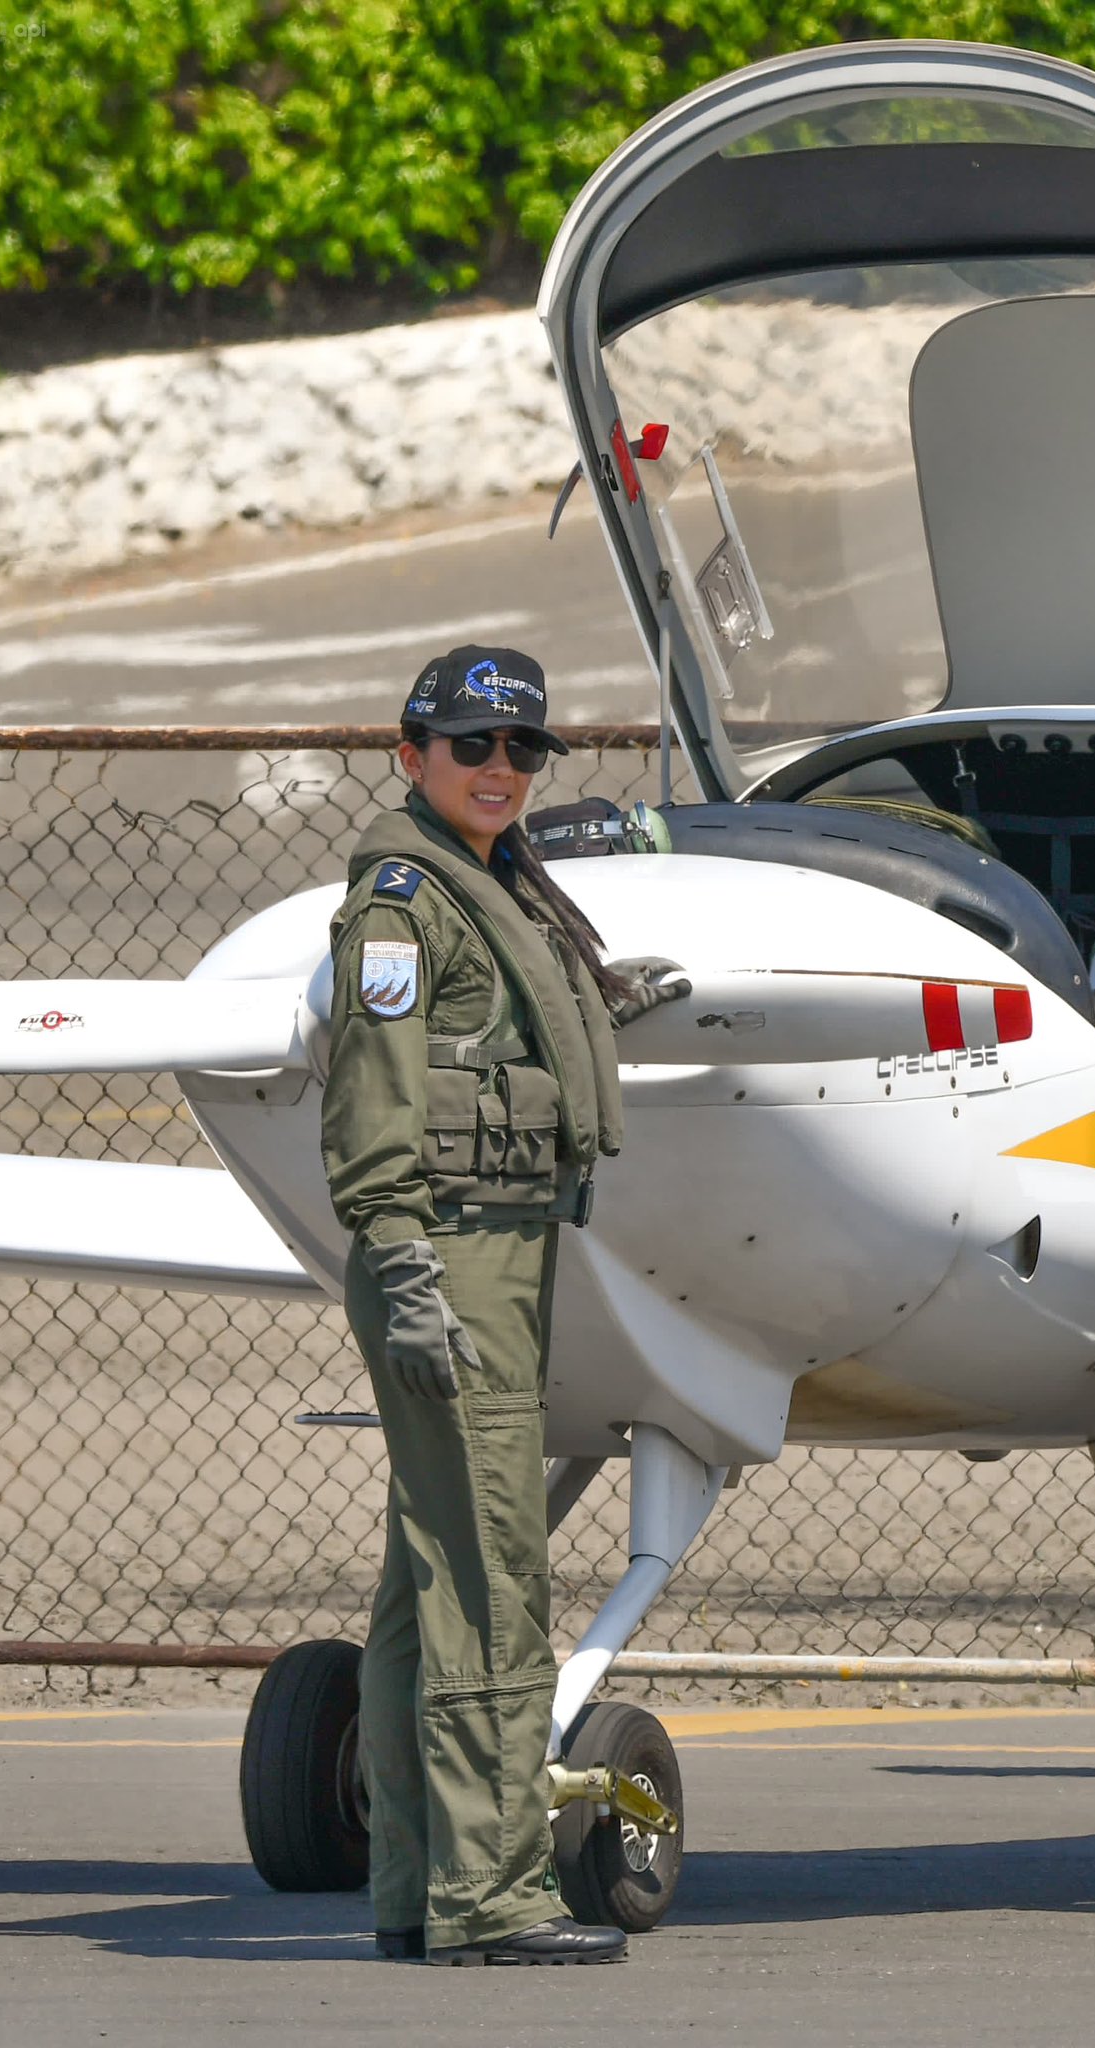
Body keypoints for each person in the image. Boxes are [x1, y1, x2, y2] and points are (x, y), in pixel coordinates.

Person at [320, 645, 689, 1966]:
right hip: (449, 1257)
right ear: (411, 754)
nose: (499, 770)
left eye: (522, 751)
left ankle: (423, 1890)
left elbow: (494, 1036)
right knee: (490, 1574)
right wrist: (407, 1264)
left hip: (499, 1252)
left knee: (432, 1582)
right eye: (471, 746)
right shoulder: (403, 903)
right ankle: (492, 1899)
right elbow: (374, 1100)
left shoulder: (497, 887)